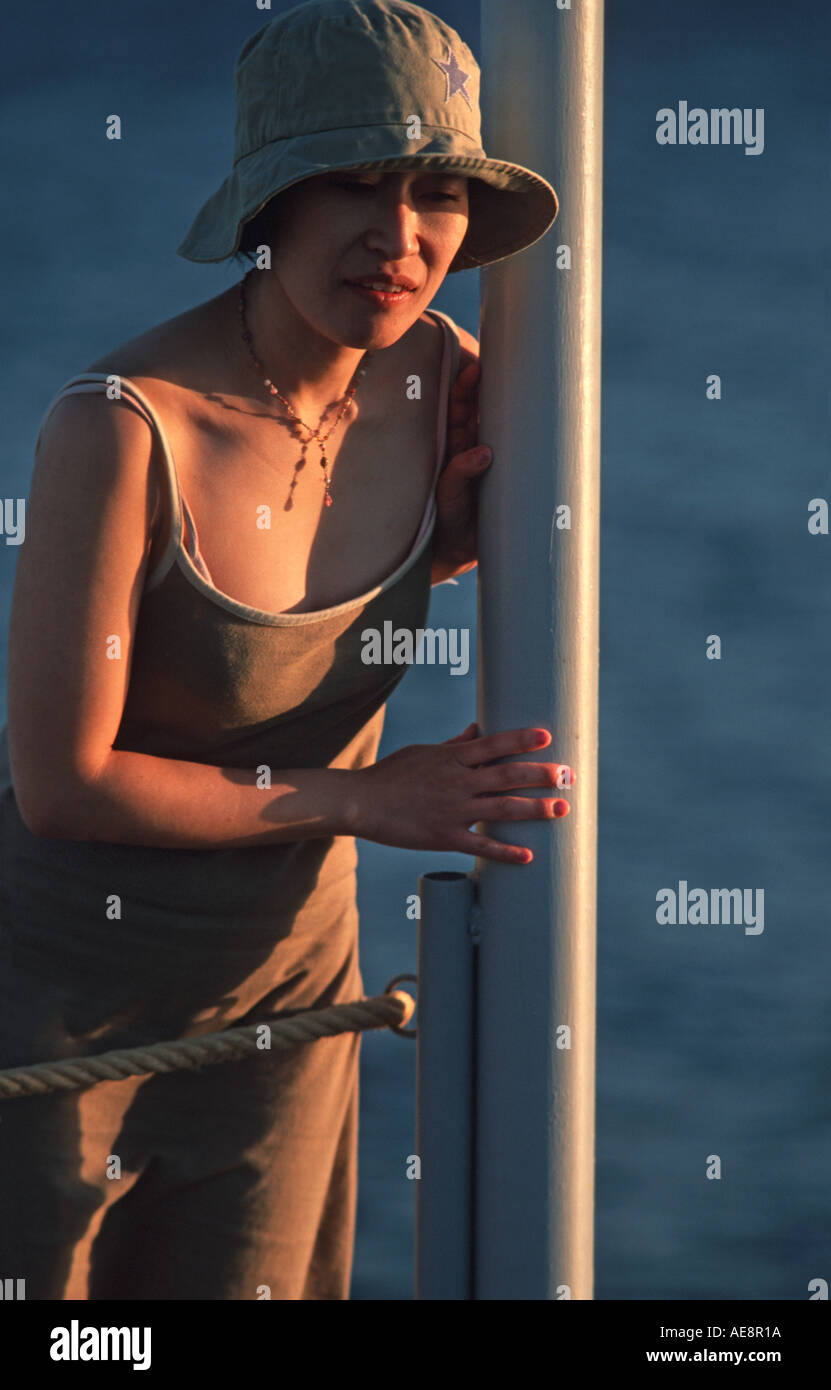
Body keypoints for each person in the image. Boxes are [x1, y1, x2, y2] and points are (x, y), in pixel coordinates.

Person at [0, 0, 572, 1300]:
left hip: (288, 1007)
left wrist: (447, 547)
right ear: (271, 204)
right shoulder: (124, 427)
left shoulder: (447, 385)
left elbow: (332, 615)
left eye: (438, 192)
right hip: (54, 1008)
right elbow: (64, 781)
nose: (401, 233)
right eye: (355, 183)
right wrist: (371, 799)